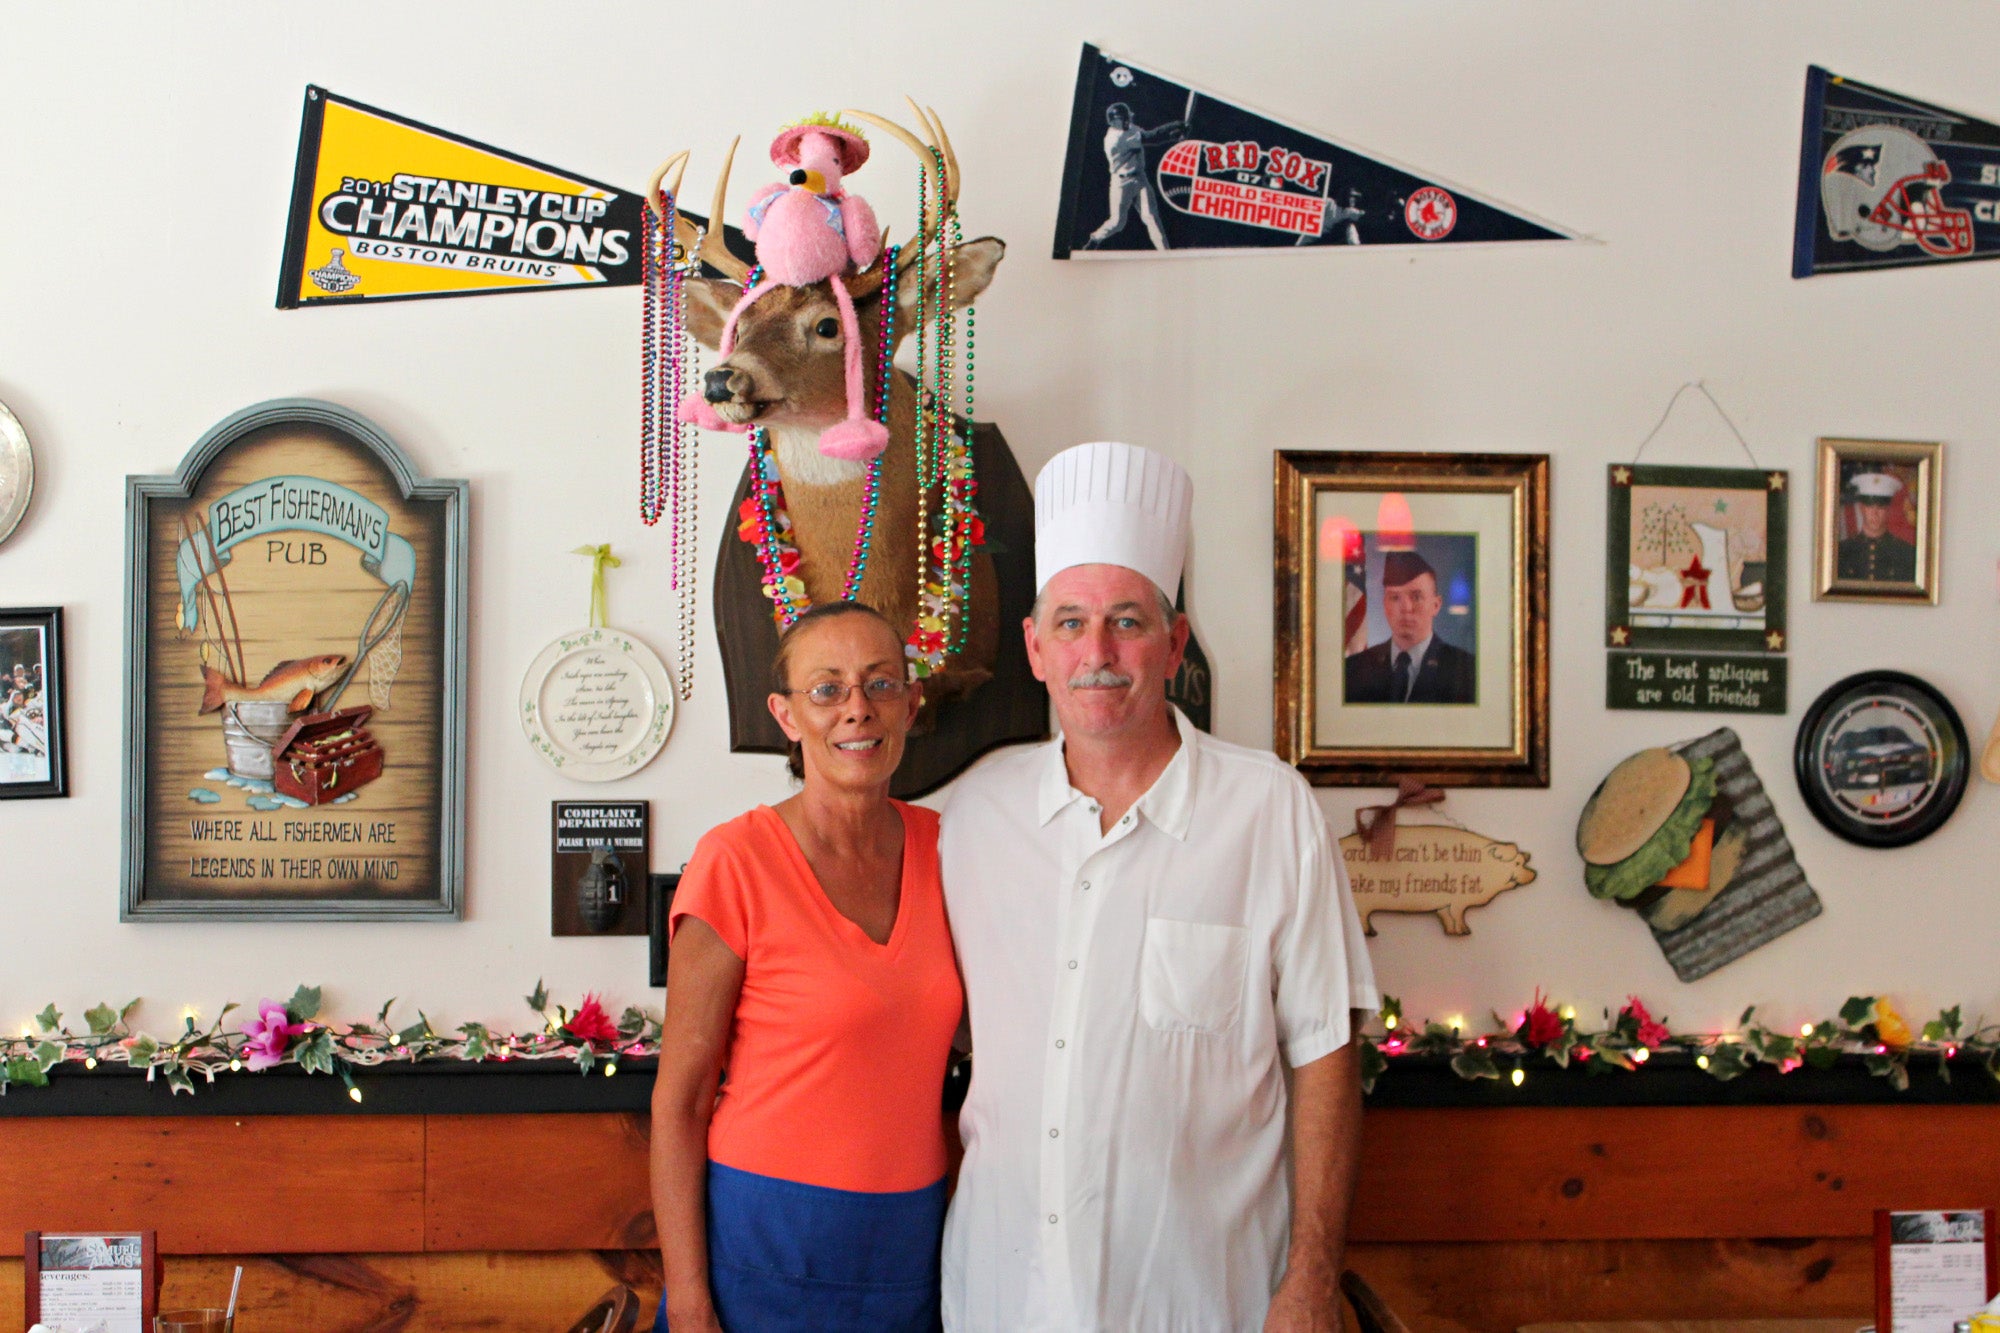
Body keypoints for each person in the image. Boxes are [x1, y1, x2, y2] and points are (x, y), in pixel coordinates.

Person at [940, 441, 1379, 1331]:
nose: (1096, 651)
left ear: (1174, 643)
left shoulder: (1270, 809)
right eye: (1069, 622)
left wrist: (1312, 1276)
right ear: (1033, 647)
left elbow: (1327, 1052)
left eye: (1128, 621)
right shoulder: (974, 815)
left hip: (1205, 1296)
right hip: (1002, 1293)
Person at [649, 601, 963, 1333]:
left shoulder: (955, 850)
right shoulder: (735, 860)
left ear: (911, 705)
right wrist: (690, 1299)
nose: (858, 708)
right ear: (786, 715)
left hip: (913, 1239)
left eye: (881, 684)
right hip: (763, 1234)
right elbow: (680, 1103)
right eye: (827, 689)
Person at [1343, 550, 1476, 704]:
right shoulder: (1352, 671)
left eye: (1416, 596)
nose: (1406, 608)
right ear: (1384, 604)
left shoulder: (1467, 672)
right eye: (1395, 597)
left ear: (1436, 605)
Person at [1082, 103, 1184, 250]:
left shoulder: (1130, 129)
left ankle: (1165, 253)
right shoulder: (1116, 138)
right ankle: (1095, 239)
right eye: (1123, 118)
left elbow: (1151, 138)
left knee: (1151, 217)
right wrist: (1175, 126)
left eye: (1126, 117)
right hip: (1122, 183)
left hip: (1140, 179)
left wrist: (1174, 136)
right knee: (1117, 223)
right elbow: (1151, 137)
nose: (1127, 120)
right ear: (1113, 121)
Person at [1836, 469, 1917, 583]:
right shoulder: (1841, 552)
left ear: (1888, 510)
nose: (1875, 513)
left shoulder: (1906, 553)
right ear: (1861, 508)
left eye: (1881, 507)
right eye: (1870, 506)